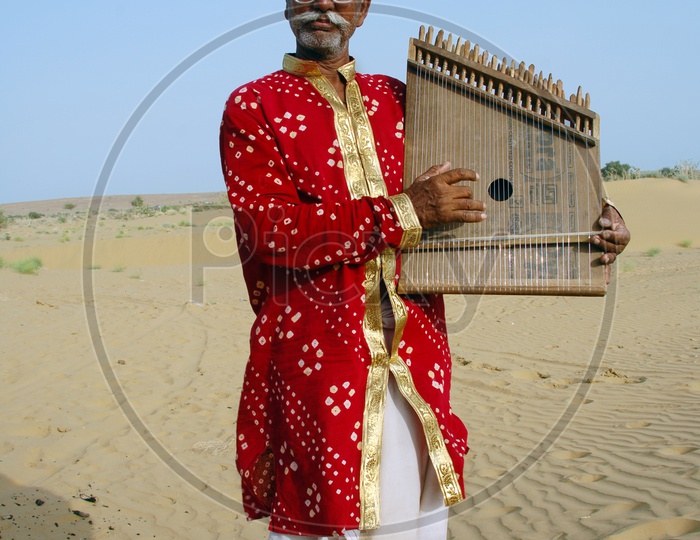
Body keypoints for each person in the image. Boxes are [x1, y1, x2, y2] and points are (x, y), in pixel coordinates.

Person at [219, 1, 630, 538]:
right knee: (331, 518)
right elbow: (269, 230)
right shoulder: (255, 105)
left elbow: (499, 185)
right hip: (319, 353)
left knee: (412, 517)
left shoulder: (403, 98)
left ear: (362, 9)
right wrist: (405, 209)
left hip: (416, 349)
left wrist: (591, 220)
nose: (323, 4)